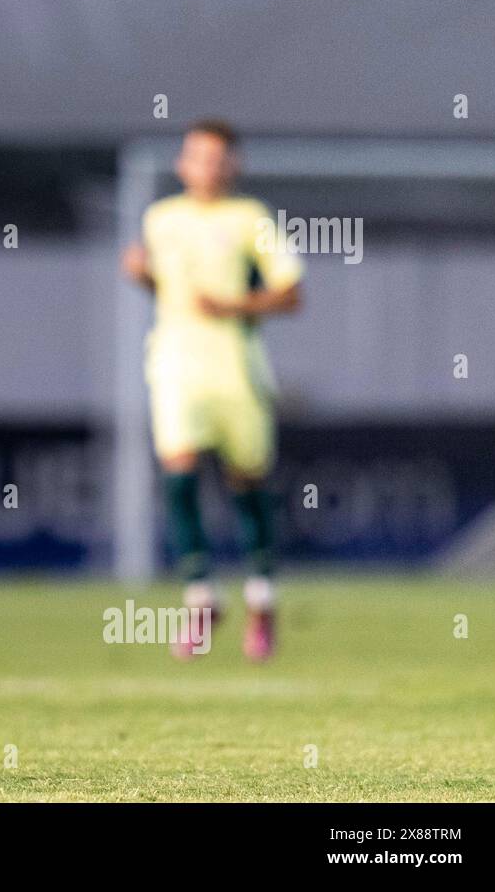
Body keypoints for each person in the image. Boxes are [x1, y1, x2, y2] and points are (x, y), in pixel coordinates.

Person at [122, 119, 302, 660]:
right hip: (176, 361)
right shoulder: (161, 219)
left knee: (247, 482)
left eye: (218, 157)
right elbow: (168, 289)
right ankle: (201, 596)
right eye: (197, 156)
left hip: (236, 366)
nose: (207, 166)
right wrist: (143, 278)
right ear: (182, 163)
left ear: (233, 165)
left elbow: (290, 294)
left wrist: (234, 307)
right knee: (178, 474)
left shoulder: (251, 218)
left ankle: (261, 600)